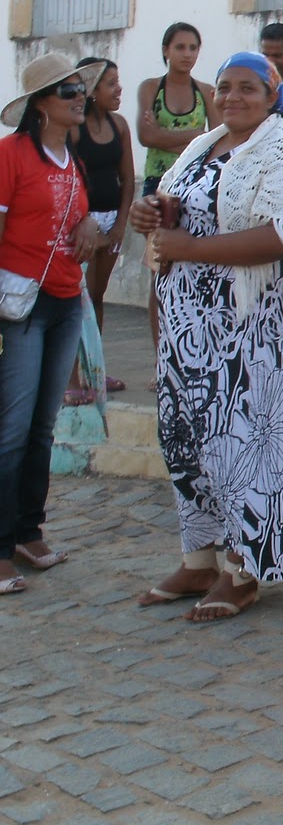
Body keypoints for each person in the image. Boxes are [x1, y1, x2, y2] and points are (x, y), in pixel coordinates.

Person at [129, 53, 283, 621]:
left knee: (243, 445)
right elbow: (184, 207)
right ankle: (199, 559)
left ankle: (245, 568)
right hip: (187, 323)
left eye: (247, 88)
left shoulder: (282, 151)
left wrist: (190, 248)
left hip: (243, 327)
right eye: (224, 87)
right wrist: (155, 212)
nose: (232, 96)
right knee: (186, 439)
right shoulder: (201, 146)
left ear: (272, 96)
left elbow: (281, 236)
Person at [0, 54, 105, 596]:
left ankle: (28, 532)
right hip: (22, 304)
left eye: (79, 89)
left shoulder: (72, 159)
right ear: (41, 103)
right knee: (12, 430)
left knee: (42, 427)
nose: (77, 97)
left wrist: (89, 220)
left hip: (67, 301)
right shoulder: (11, 155)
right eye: (67, 90)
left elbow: (79, 216)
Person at [136, 23, 216, 362]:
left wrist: (171, 135)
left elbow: (214, 138)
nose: (187, 54)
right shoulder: (151, 88)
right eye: (180, 47)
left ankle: (191, 351)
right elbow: (146, 137)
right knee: (160, 271)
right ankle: (161, 356)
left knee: (194, 270)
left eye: (193, 48)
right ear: (166, 49)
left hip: (194, 186)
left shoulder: (206, 91)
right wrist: (193, 135)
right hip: (159, 188)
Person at [67, 57, 134, 399]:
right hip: (82, 224)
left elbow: (127, 180)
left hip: (110, 220)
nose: (118, 89)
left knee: (95, 298)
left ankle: (96, 369)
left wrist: (120, 225)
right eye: (110, 83)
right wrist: (85, 224)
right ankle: (71, 378)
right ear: (92, 91)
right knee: (73, 299)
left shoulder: (119, 126)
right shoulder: (74, 131)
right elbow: (70, 180)